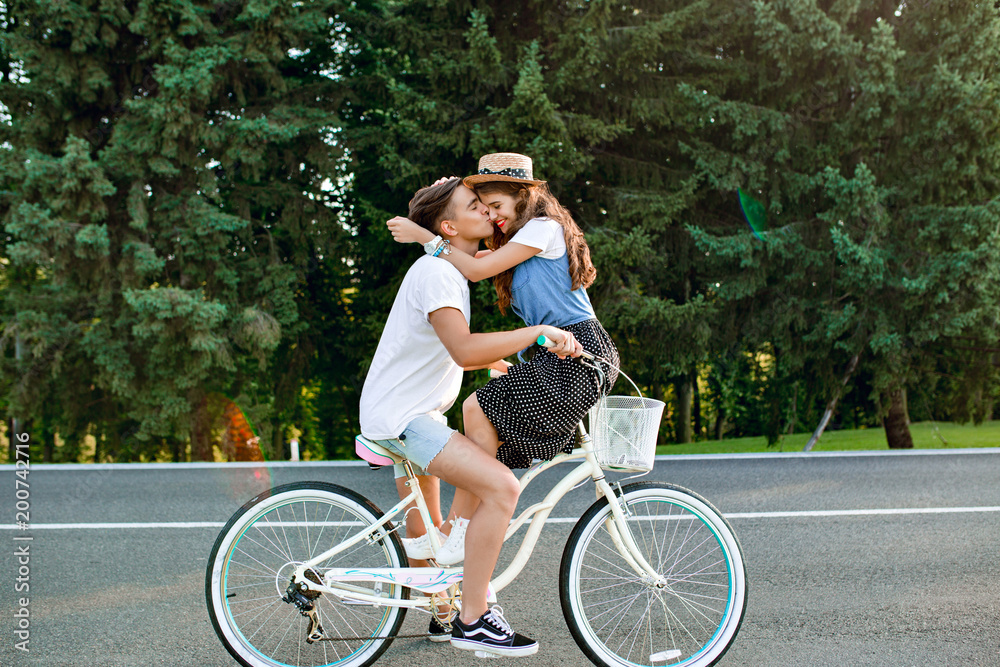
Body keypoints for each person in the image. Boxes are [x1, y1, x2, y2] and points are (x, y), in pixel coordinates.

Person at [359, 176, 582, 658]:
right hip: (405, 419)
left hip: (413, 414)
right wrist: (535, 333)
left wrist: (495, 361)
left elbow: (449, 349)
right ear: (447, 225)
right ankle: (474, 619)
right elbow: (461, 349)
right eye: (472, 205)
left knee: (436, 534)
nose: (484, 211)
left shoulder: (445, 272)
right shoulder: (437, 274)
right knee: (502, 488)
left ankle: (442, 607)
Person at [387, 152, 619, 475]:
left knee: (478, 407)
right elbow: (465, 260)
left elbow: (476, 269)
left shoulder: (543, 229)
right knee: (488, 424)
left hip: (578, 351)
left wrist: (426, 236)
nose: (491, 215)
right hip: (557, 353)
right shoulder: (521, 241)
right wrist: (439, 204)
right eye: (484, 207)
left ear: (522, 196)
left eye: (496, 206)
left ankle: (475, 514)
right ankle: (483, 510)